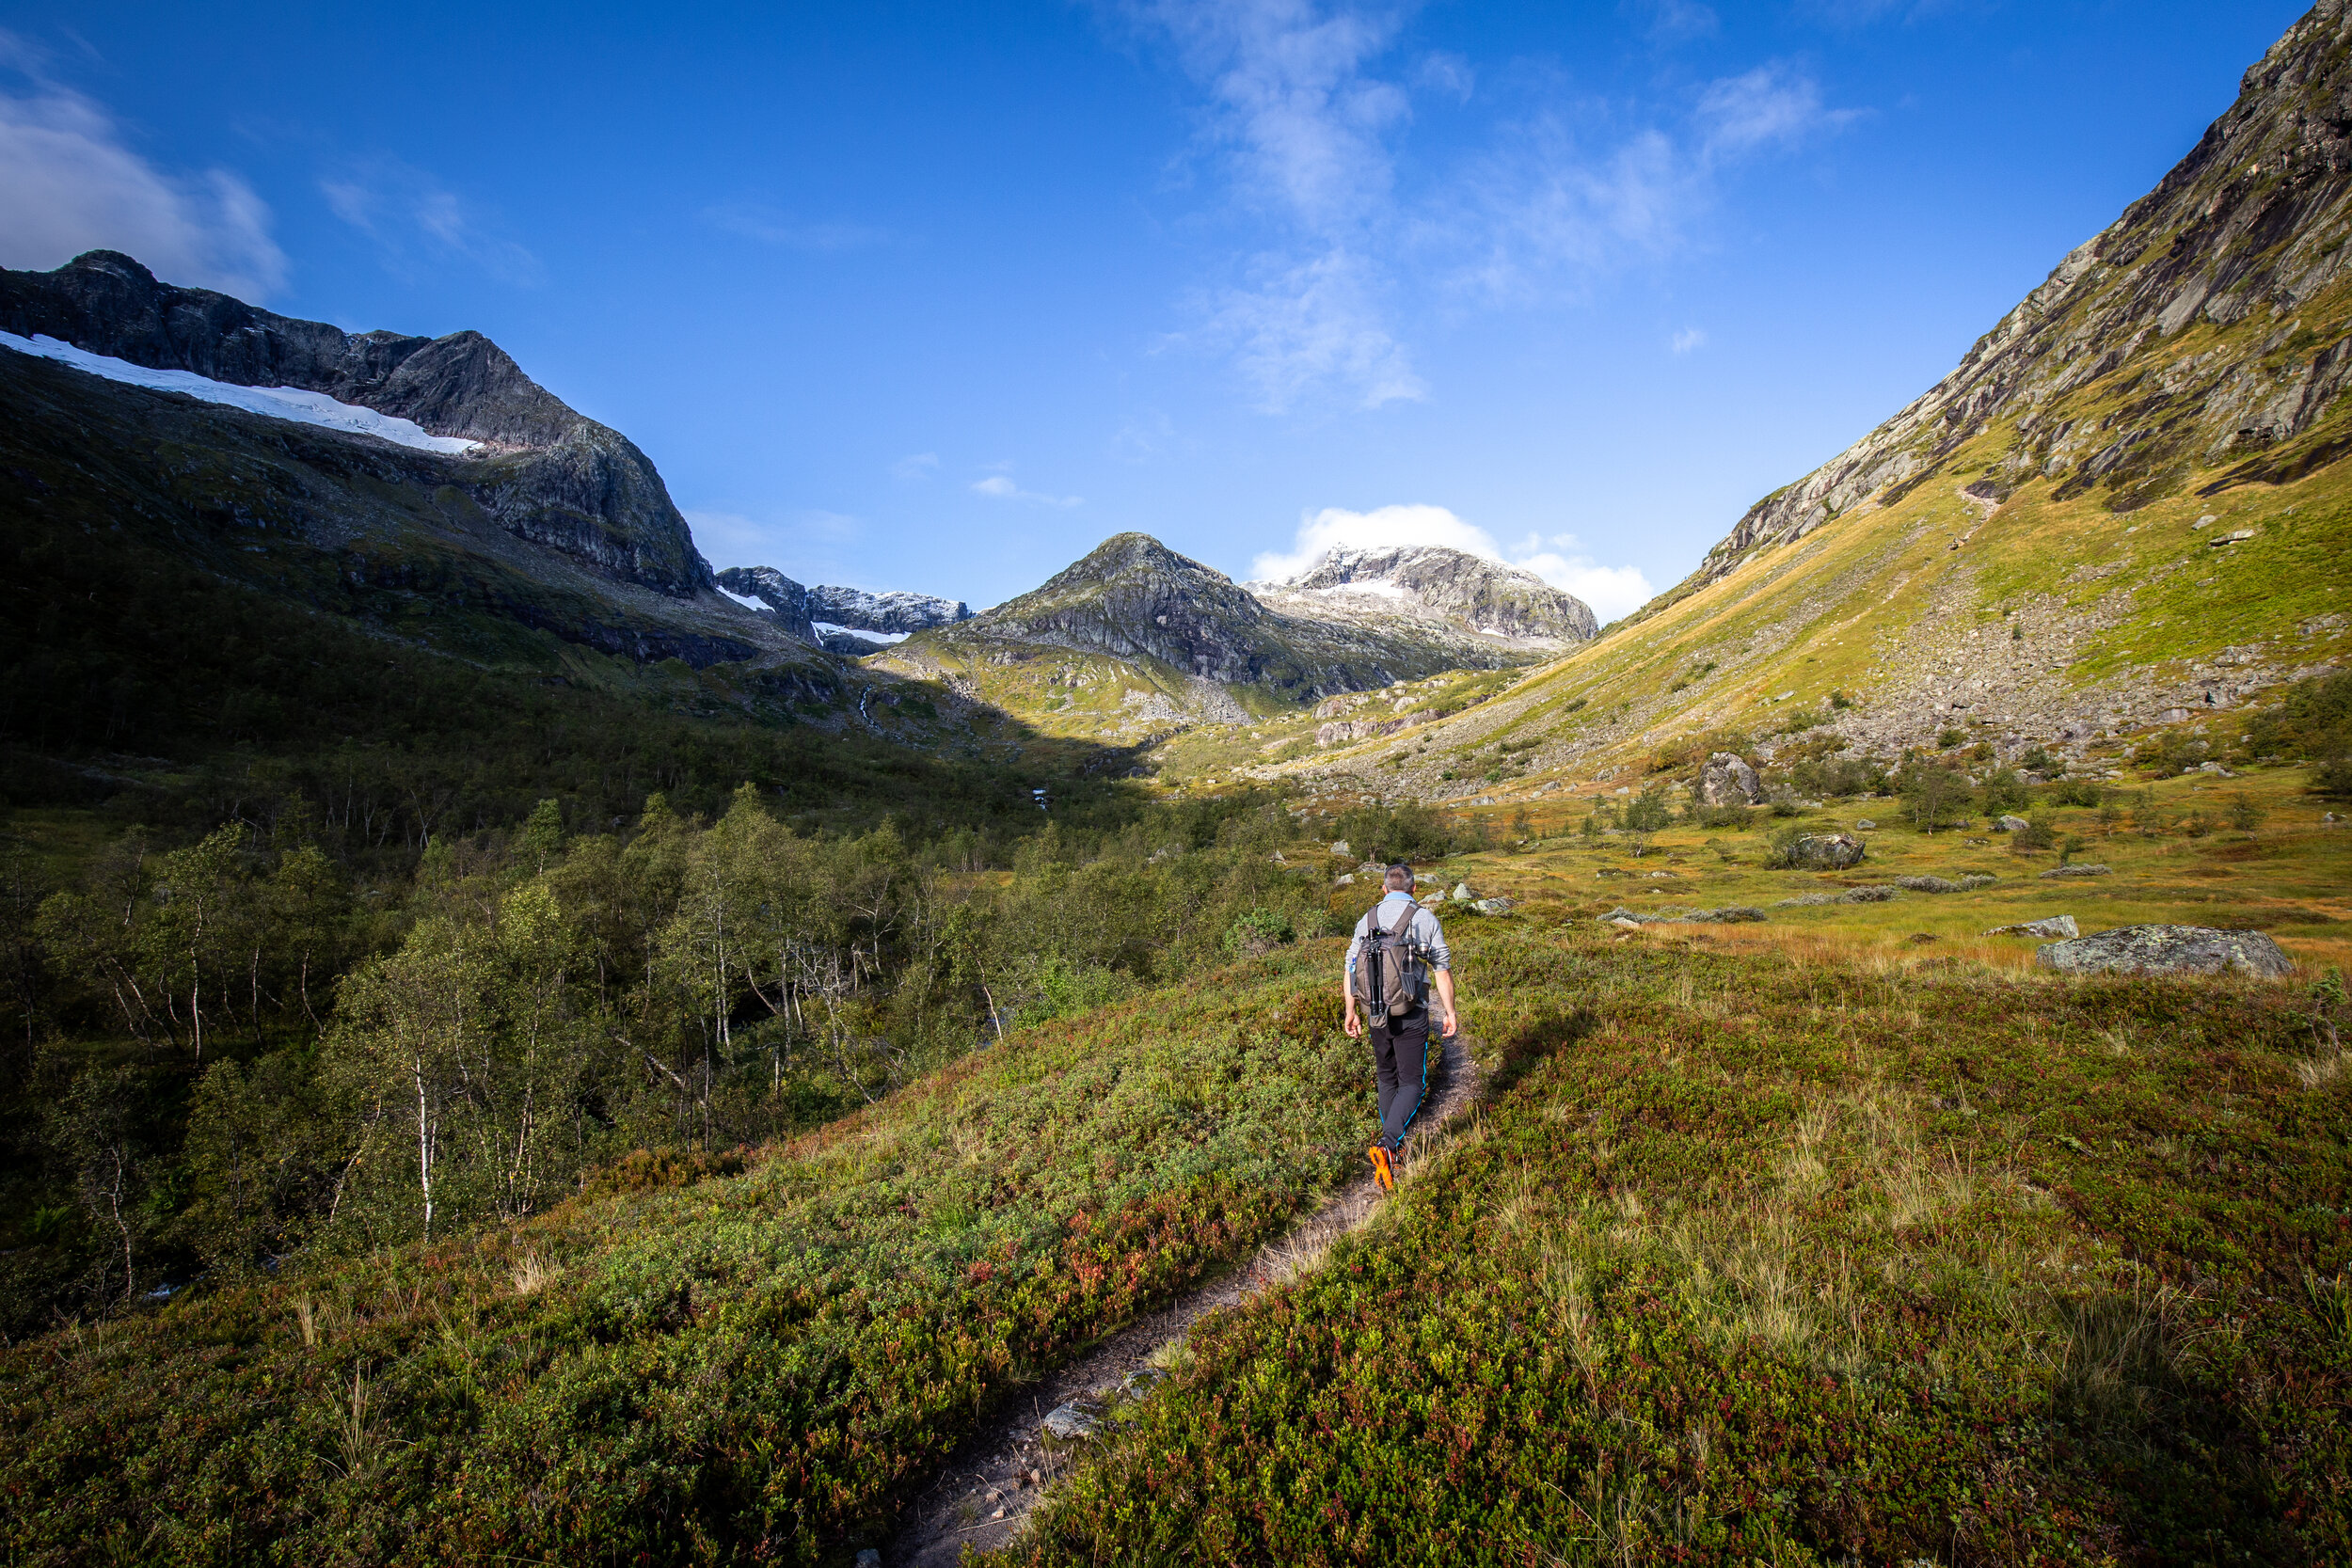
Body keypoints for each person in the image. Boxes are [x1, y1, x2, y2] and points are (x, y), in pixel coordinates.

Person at [1343, 863, 1457, 1192]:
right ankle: (1389, 1144)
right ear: (1414, 888)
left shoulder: (1367, 920)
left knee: (1386, 1077)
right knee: (1413, 1083)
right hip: (1411, 1010)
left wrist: (1351, 1011)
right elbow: (1442, 969)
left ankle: (1394, 1149)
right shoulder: (1423, 918)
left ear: (1383, 889)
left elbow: (1351, 967)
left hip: (1374, 1011)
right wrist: (1449, 1011)